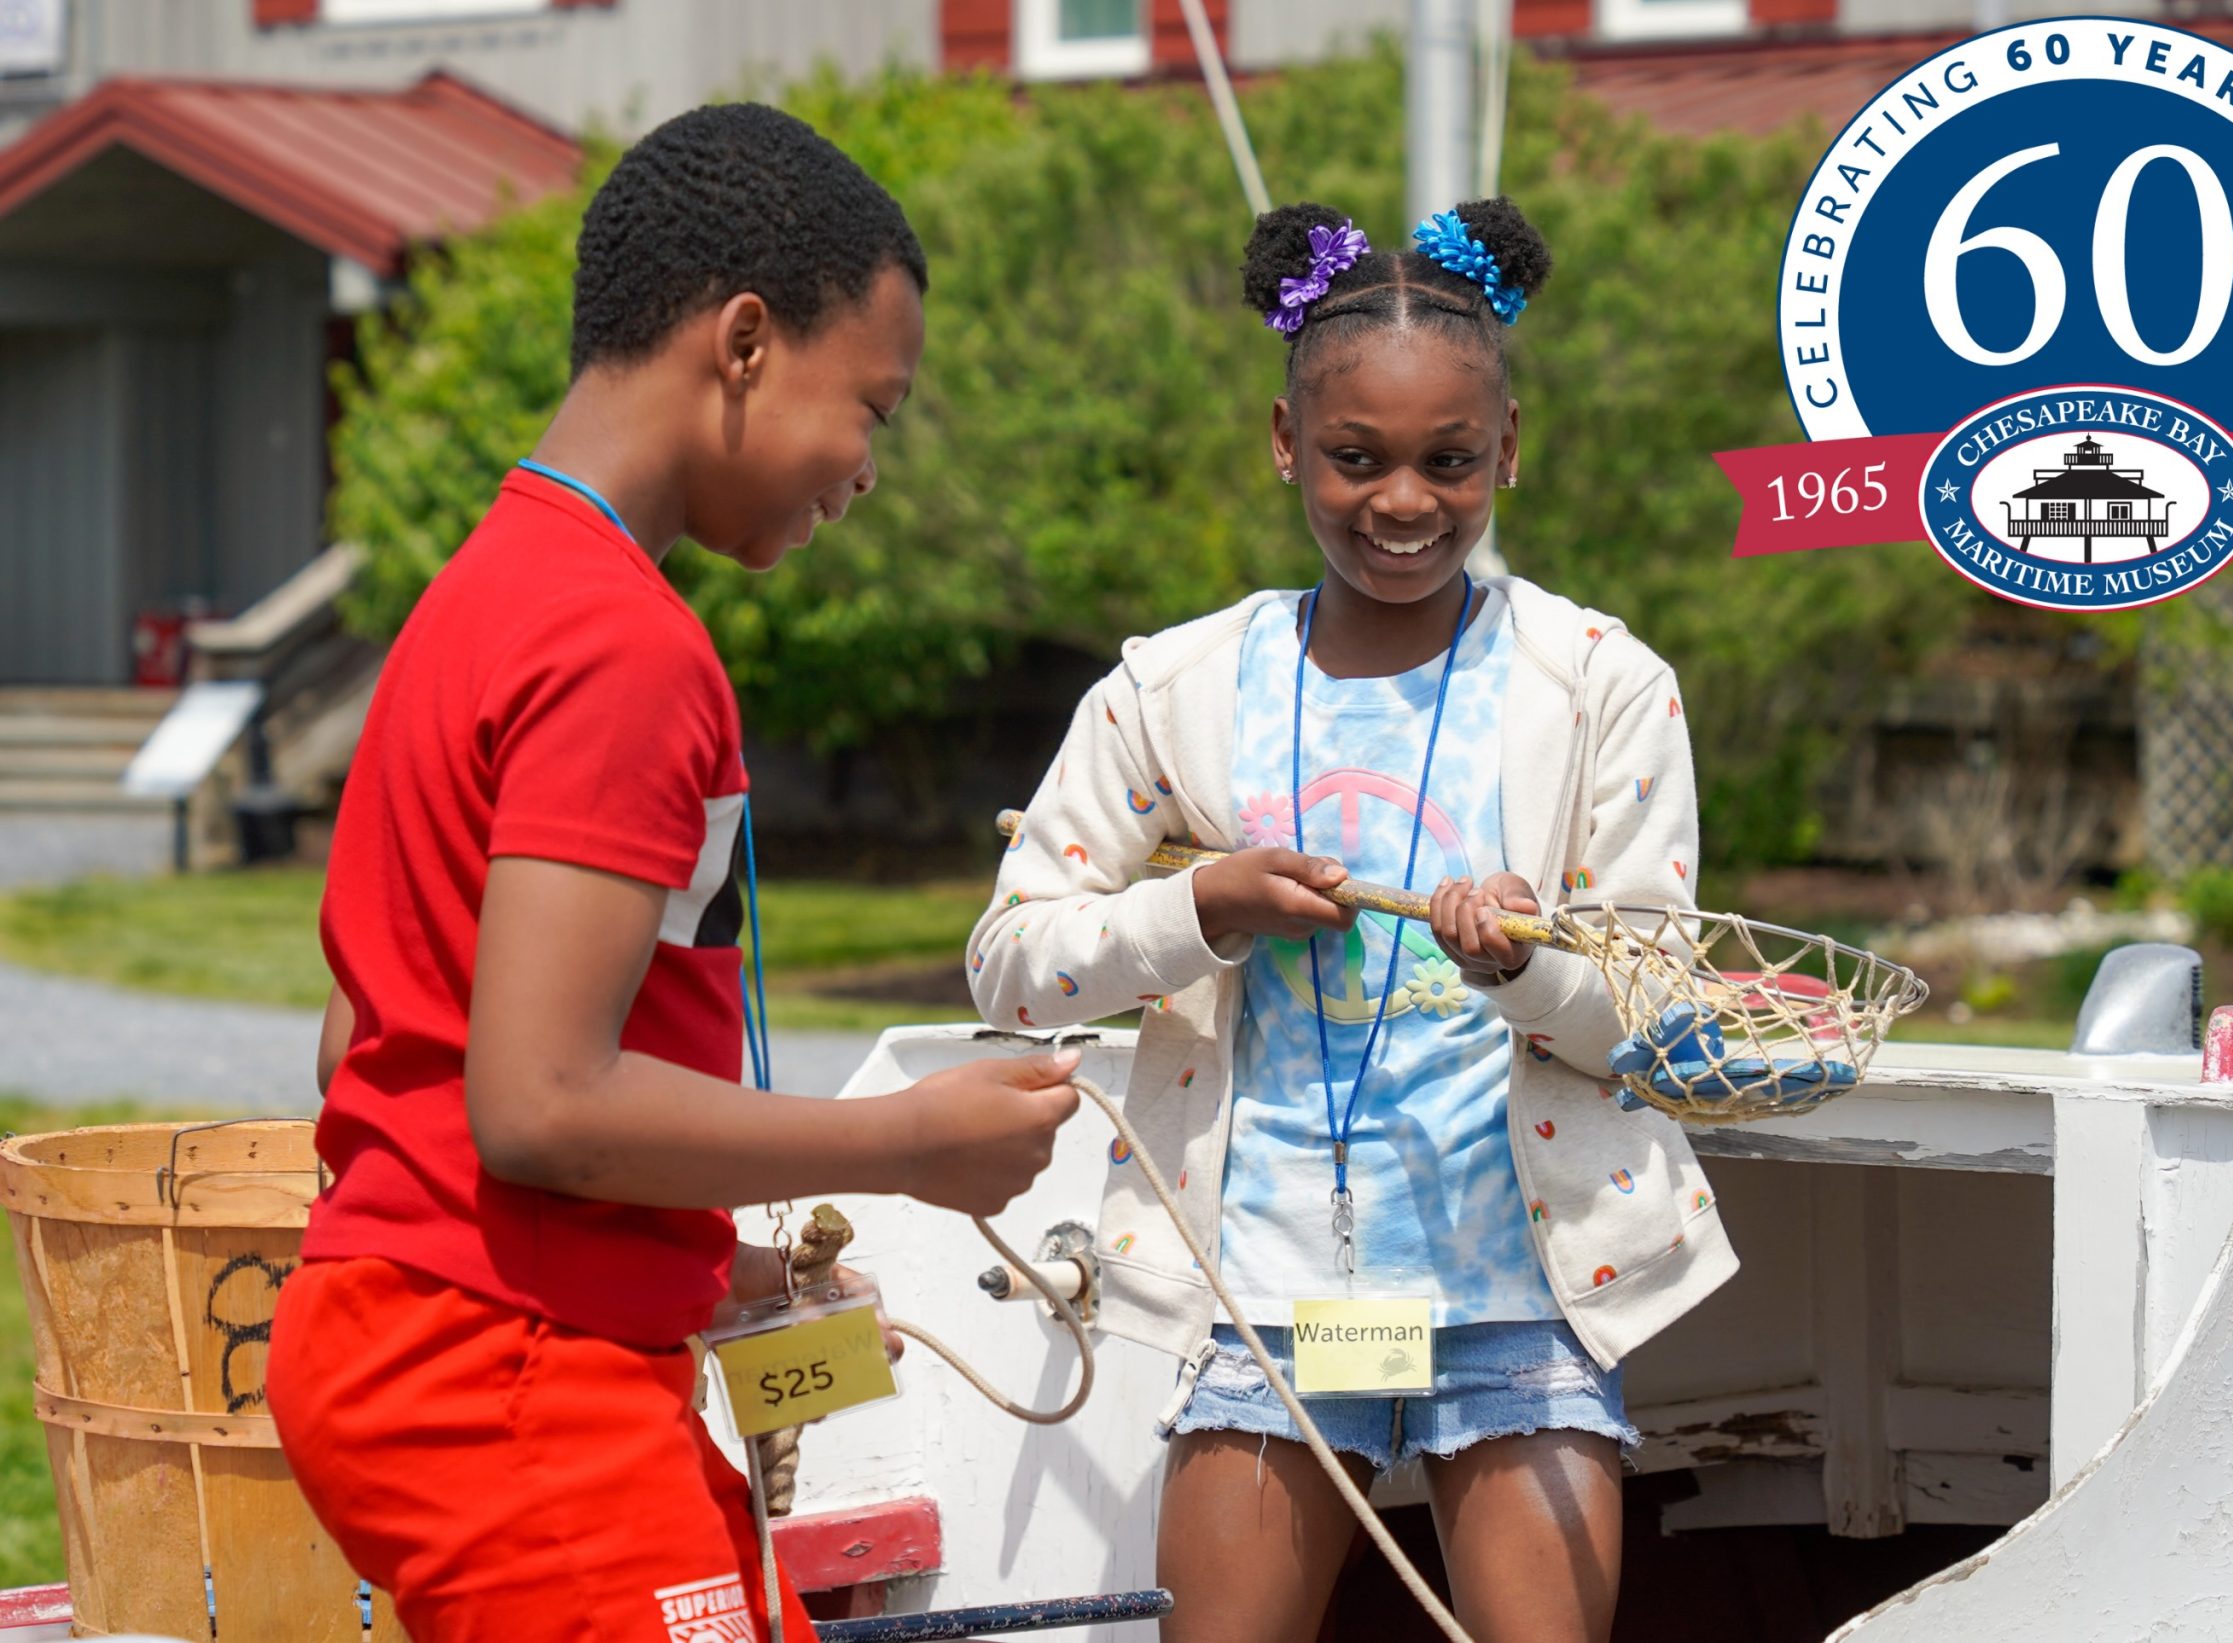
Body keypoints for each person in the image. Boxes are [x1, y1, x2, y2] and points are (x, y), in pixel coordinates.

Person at [269, 103, 1081, 1643]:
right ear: (748, 343)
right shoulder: (624, 646)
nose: (867, 472)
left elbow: (370, 1045)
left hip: (441, 1337)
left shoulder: (487, 585)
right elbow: (540, 1103)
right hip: (504, 1374)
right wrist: (905, 1141)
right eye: (875, 410)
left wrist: (686, 1252)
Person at [967, 198, 1737, 1643]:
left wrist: (1527, 969)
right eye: (1354, 458)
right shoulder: (1172, 688)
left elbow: (1664, 1013)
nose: (1404, 501)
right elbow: (1013, 965)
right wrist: (1198, 907)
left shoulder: (1598, 683)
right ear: (1282, 444)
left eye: (1451, 461)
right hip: (1270, 1298)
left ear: (1507, 448)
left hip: (1519, 1293)